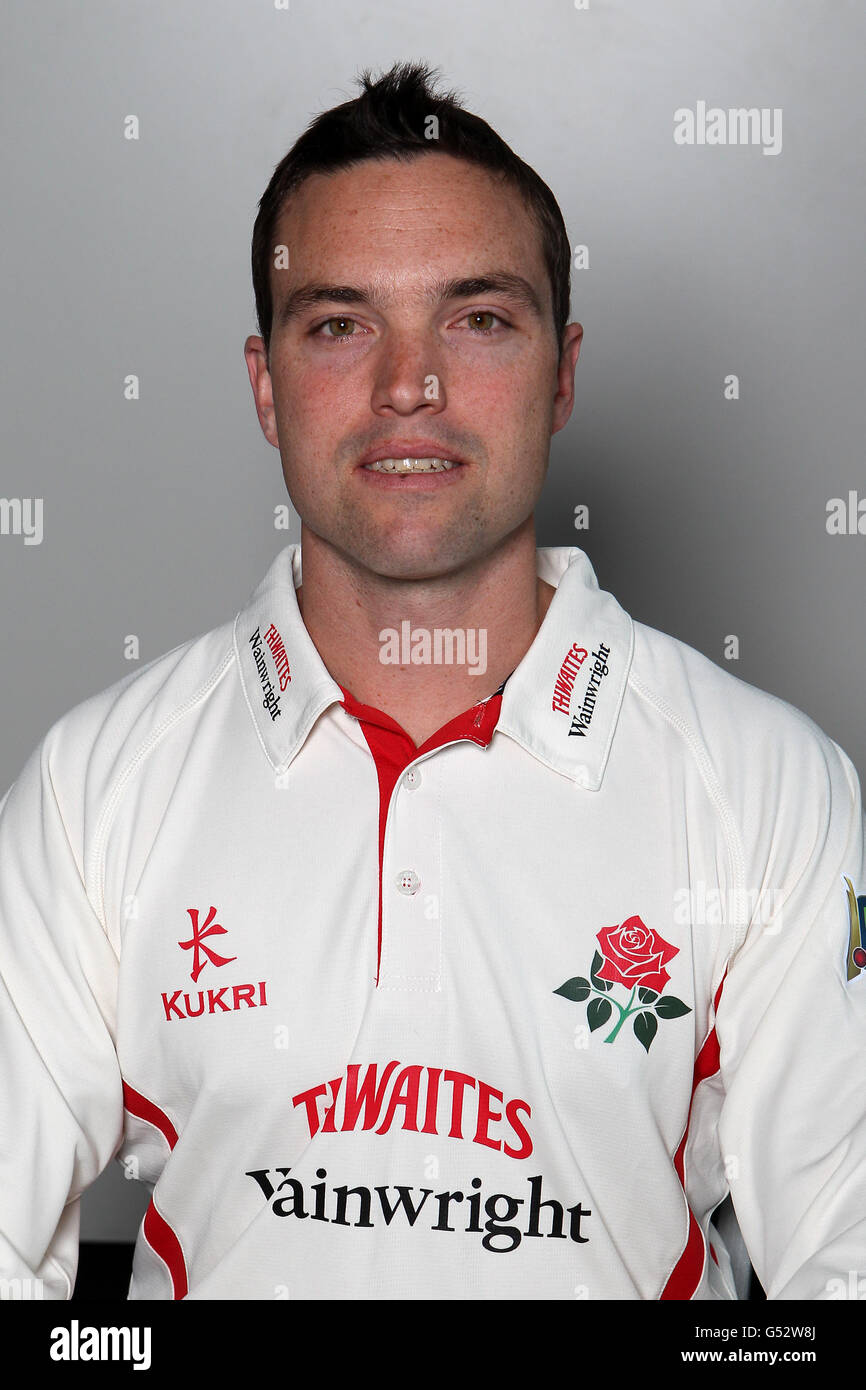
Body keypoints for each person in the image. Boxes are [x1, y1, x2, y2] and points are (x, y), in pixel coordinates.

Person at [1, 60, 864, 1303]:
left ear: (560, 373)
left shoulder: (771, 788)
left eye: (477, 319)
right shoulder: (94, 792)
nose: (409, 386)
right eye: (341, 324)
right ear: (264, 384)